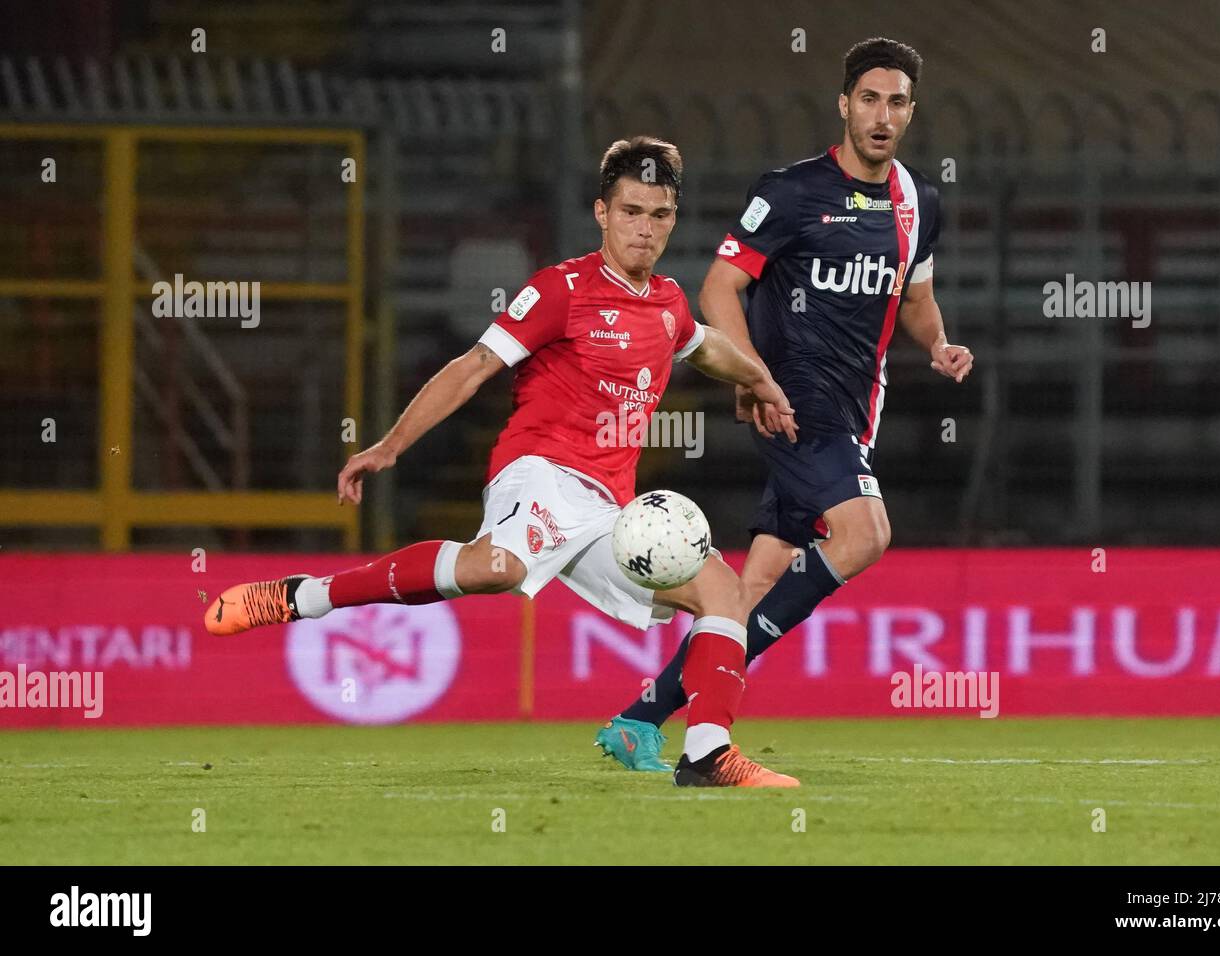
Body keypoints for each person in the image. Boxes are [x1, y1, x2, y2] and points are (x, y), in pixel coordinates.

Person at [205, 136, 800, 788]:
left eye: (659, 215)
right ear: (602, 212)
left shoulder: (667, 304)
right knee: (496, 568)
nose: (644, 228)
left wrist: (762, 383)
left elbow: (707, 347)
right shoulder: (560, 290)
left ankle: (707, 754)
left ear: (674, 220)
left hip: (609, 509)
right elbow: (475, 366)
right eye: (631, 211)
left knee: (722, 592)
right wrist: (391, 445)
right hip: (541, 469)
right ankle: (304, 597)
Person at [597, 40, 974, 770]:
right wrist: (753, 380)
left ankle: (641, 718)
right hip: (794, 406)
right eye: (869, 98)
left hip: (856, 412)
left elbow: (917, 298)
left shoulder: (918, 201)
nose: (881, 114)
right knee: (864, 534)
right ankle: (708, 745)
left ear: (910, 112)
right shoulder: (794, 192)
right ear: (843, 104)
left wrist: (939, 344)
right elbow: (717, 290)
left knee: (753, 591)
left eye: (896, 102)